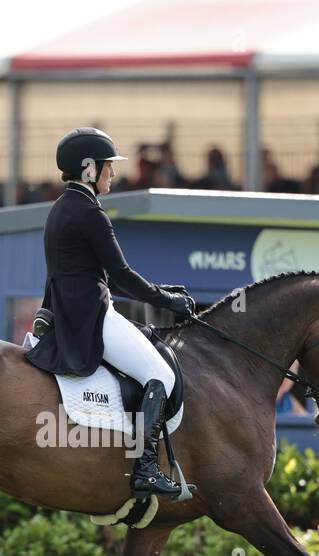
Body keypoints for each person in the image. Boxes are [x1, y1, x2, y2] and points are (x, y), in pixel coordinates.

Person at [25, 127, 197, 499]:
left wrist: (162, 290)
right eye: (108, 167)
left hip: (72, 313)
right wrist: (169, 302)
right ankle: (147, 468)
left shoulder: (59, 209)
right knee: (160, 375)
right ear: (89, 169)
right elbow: (121, 276)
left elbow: (88, 275)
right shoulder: (90, 213)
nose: (113, 174)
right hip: (92, 317)